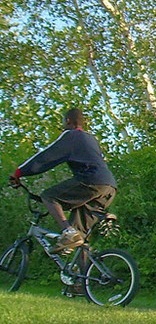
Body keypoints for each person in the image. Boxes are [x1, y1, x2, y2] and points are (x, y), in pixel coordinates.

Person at [8, 108, 117, 255]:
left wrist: (19, 172)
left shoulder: (71, 136)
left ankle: (67, 231)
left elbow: (46, 156)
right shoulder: (91, 138)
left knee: (49, 196)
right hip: (109, 187)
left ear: (67, 121)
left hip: (91, 181)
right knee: (80, 237)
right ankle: (83, 276)